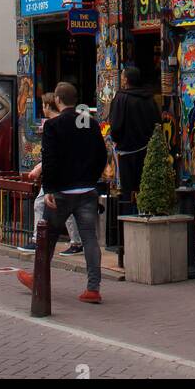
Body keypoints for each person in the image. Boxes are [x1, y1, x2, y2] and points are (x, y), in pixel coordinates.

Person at [16, 81, 107, 304]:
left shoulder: (53, 126)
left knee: (48, 237)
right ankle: (93, 288)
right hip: (87, 189)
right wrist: (91, 178)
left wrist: (49, 188)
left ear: (57, 99)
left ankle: (38, 279)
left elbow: (50, 160)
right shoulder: (90, 124)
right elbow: (102, 156)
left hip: (62, 192)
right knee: (90, 239)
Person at [17, 93, 82, 255]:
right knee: (56, 206)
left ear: (48, 106)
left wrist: (40, 168)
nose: (42, 109)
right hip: (65, 173)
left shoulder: (53, 125)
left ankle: (42, 241)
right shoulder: (68, 122)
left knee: (49, 205)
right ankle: (72, 241)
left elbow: (53, 153)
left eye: (43, 106)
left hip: (57, 175)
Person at [108, 66, 161, 202]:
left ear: (125, 79)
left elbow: (115, 126)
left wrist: (117, 140)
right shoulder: (149, 99)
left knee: (128, 189)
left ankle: (129, 215)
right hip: (147, 150)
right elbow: (157, 123)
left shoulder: (121, 98)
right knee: (145, 186)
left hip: (127, 151)